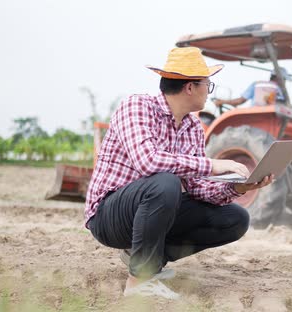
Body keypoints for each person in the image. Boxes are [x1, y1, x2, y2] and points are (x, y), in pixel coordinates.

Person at [84, 47, 273, 300]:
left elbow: (196, 187)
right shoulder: (137, 106)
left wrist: (238, 188)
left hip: (150, 209)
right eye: (208, 84)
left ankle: (149, 260)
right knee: (165, 182)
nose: (209, 90)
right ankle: (140, 280)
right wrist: (213, 165)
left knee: (235, 218)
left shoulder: (193, 126)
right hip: (109, 215)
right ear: (190, 87)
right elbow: (148, 162)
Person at [213, 67, 292, 108]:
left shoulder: (257, 84)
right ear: (278, 78)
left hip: (255, 115)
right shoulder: (282, 91)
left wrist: (222, 102)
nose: (284, 82)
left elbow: (240, 101)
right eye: (284, 79)